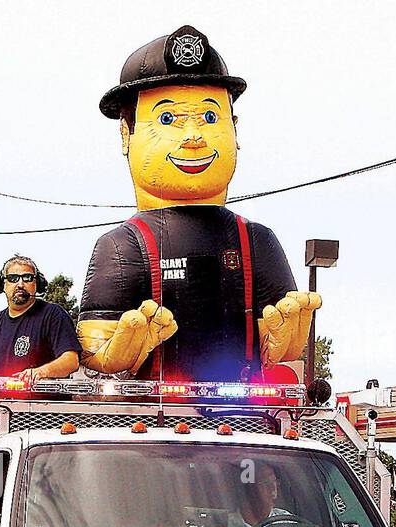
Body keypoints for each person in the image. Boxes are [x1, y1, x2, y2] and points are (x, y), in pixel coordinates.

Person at [77, 25, 318, 381]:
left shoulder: (256, 240)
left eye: (209, 117)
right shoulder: (121, 246)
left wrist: (283, 341)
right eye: (168, 119)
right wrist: (111, 354)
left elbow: (285, 339)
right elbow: (95, 349)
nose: (193, 137)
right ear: (127, 135)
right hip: (146, 419)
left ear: (234, 129)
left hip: (240, 419)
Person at [0, 255, 80, 391]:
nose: (20, 284)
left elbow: (71, 360)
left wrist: (41, 372)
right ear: (3, 285)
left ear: (37, 284)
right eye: (13, 278)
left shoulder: (53, 314)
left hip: (43, 411)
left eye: (27, 278)